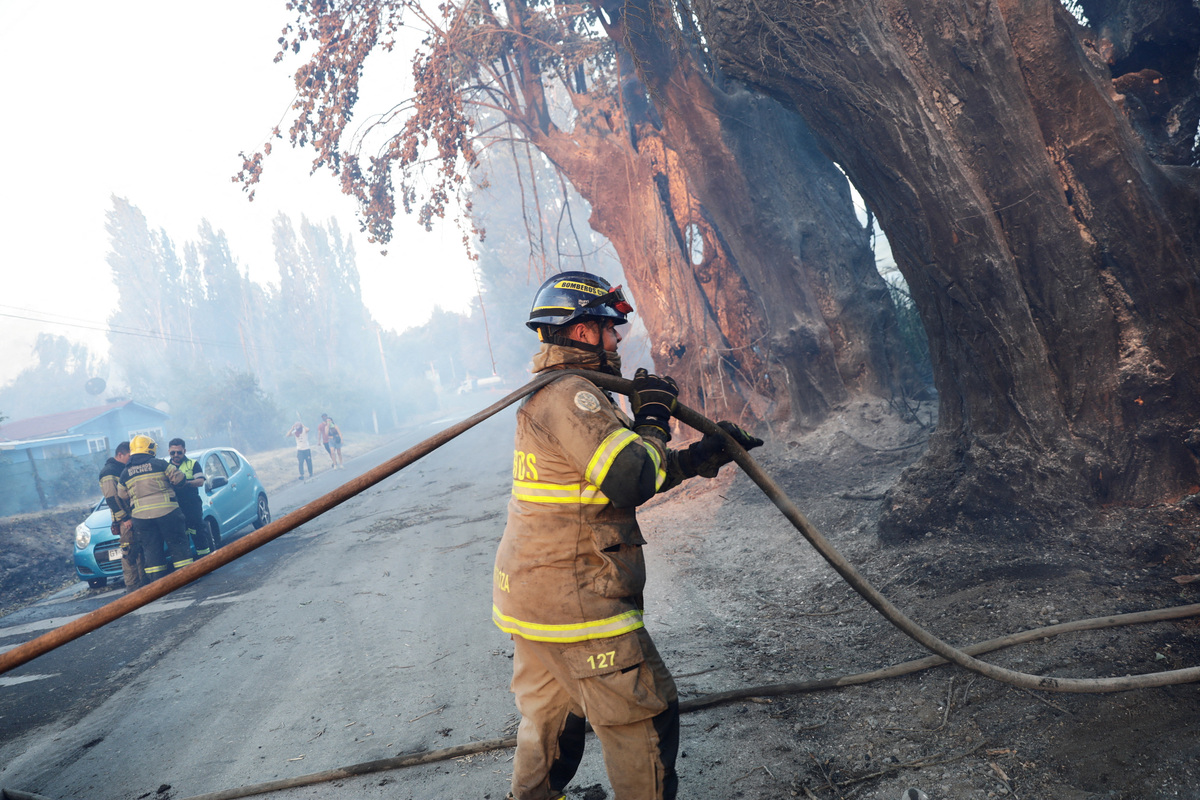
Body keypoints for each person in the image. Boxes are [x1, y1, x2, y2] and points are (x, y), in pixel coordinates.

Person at [493, 271, 762, 800]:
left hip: (530, 594)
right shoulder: (574, 396)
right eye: (610, 328)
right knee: (645, 712)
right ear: (583, 331)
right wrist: (655, 418)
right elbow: (630, 477)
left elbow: (606, 479)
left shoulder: (554, 394)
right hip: (577, 600)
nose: (618, 339)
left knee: (552, 711)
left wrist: (692, 460)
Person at [117, 434, 193, 584]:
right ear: (150, 448)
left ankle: (158, 584)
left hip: (141, 518)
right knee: (177, 544)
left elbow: (121, 494)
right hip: (168, 513)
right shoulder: (160, 464)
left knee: (151, 549)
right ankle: (187, 577)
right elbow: (179, 479)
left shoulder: (125, 473)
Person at [98, 440, 141, 590]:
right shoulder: (109, 472)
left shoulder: (123, 468)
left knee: (137, 551)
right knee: (129, 553)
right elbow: (111, 498)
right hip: (125, 520)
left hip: (133, 516)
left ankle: (143, 584)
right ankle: (133, 586)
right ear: (120, 454)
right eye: (129, 455)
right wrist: (125, 518)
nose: (131, 459)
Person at [167, 438, 213, 557]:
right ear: (169, 452)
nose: (176, 455)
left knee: (199, 534)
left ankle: (206, 562)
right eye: (173, 452)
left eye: (179, 452)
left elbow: (200, 481)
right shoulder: (165, 467)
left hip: (192, 507)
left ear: (184, 451)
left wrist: (186, 483)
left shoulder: (192, 464)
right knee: (181, 538)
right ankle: (189, 568)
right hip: (176, 508)